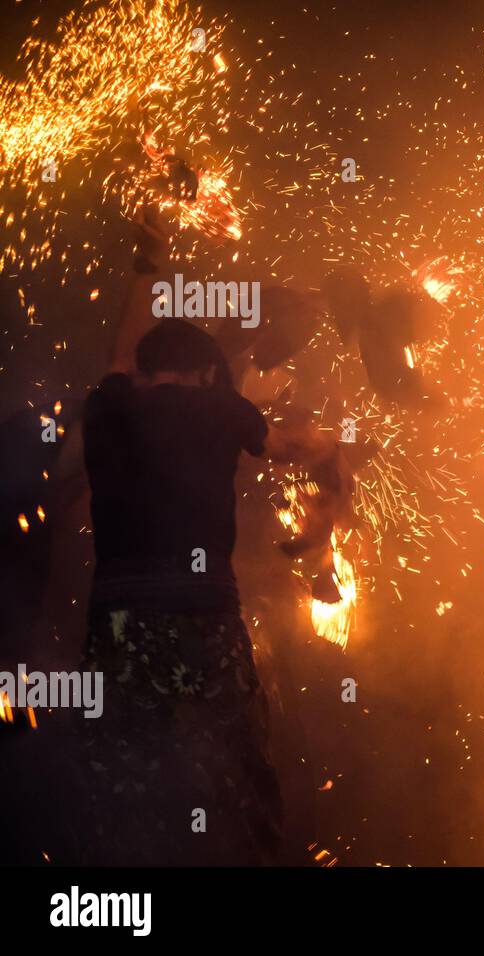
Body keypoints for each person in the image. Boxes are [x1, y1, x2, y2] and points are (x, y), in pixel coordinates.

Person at [77, 206, 348, 865]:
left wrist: (149, 258)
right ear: (204, 372)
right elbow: (290, 447)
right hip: (202, 609)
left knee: (120, 762)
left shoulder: (108, 405)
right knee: (236, 757)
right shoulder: (224, 407)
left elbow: (123, 352)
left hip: (120, 616)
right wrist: (333, 442)